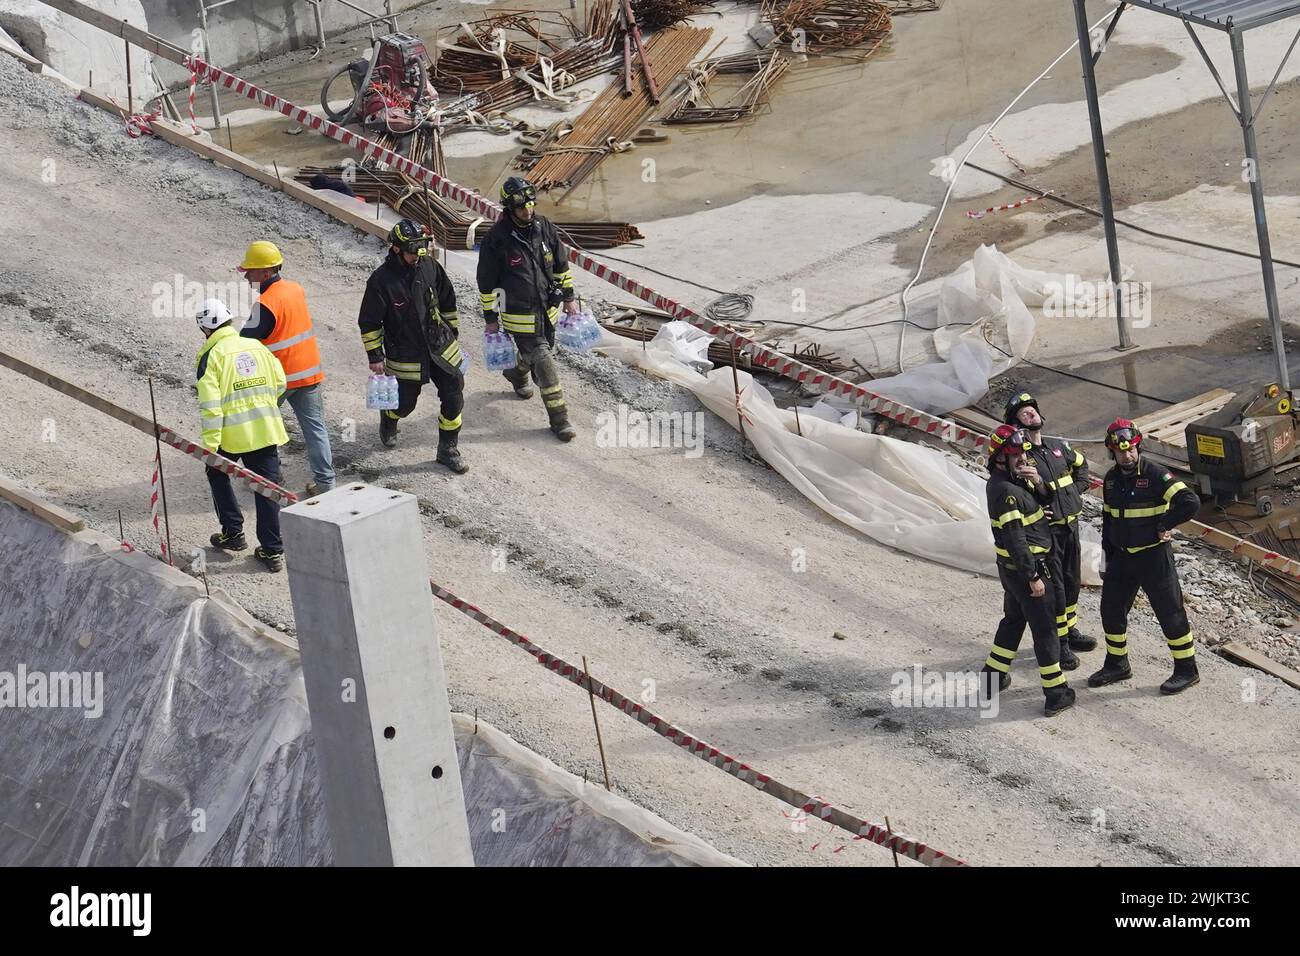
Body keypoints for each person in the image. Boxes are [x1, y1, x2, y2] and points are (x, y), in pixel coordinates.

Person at [1089, 419, 1202, 694]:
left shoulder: (1155, 474)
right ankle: (1117, 664)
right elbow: (1108, 520)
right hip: (1122, 559)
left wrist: (1165, 524)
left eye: (1131, 450)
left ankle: (1187, 669)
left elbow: (1190, 502)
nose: (1127, 456)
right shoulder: (1112, 480)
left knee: (1169, 612)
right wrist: (1105, 558)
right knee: (1111, 610)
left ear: (1138, 446)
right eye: (1120, 452)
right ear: (1112, 452)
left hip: (1153, 559)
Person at [357, 219, 468, 473]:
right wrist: (375, 355)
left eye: (420, 251)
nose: (417, 257)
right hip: (406, 353)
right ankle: (390, 417)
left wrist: (451, 331)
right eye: (411, 252)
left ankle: (448, 449)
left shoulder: (429, 266)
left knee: (454, 397)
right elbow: (370, 322)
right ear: (396, 249)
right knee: (405, 404)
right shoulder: (380, 281)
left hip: (439, 347)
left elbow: (448, 299)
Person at [980, 424, 1075, 716]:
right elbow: (1015, 538)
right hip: (1029, 570)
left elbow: (1035, 505)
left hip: (1013, 572)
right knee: (1045, 630)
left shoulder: (1012, 481)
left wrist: (1038, 486)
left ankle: (992, 676)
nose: (1023, 458)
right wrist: (1033, 577)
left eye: (1023, 452)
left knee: (1013, 620)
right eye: (1015, 454)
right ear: (1000, 458)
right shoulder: (1006, 491)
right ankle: (1056, 693)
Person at [476, 176, 577, 441]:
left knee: (535, 354)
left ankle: (516, 371)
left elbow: (561, 265)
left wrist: (568, 297)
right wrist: (490, 318)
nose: (528, 210)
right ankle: (560, 419)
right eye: (522, 207)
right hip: (519, 316)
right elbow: (486, 284)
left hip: (547, 312)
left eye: (531, 204)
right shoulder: (496, 240)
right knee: (545, 363)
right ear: (510, 209)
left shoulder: (544, 227)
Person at [195, 299, 289, 573]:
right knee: (267, 487)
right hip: (264, 429)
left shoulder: (211, 356)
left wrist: (210, 447)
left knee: (216, 473)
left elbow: (211, 407)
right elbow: (281, 381)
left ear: (205, 329)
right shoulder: (255, 346)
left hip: (230, 434)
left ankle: (233, 533)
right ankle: (272, 550)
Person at [237, 240, 336, 496]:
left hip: (280, 380)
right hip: (309, 373)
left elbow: (245, 341)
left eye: (251, 271)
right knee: (315, 429)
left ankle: (270, 477)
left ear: (266, 272)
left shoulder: (266, 303)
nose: (247, 277)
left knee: (262, 426)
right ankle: (326, 484)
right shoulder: (295, 289)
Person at [1004, 392, 1095, 662]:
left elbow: (1082, 467)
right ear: (1017, 424)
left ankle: (1070, 630)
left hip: (1071, 526)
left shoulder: (1058, 447)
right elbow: (1017, 494)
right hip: (1049, 531)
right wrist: (1037, 508)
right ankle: (1060, 644)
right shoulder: (1022, 458)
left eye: (1032, 409)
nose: (1030, 413)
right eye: (1023, 412)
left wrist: (1075, 494)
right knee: (1055, 587)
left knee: (1071, 581)